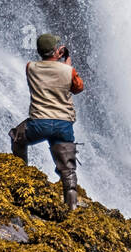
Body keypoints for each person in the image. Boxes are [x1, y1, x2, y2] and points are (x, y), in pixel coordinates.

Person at [8, 32, 84, 210]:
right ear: (57, 52)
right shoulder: (68, 70)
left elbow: (49, 73)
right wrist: (68, 64)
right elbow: (77, 88)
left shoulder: (31, 67)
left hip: (38, 123)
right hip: (63, 124)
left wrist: (61, 63)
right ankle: (71, 206)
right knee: (68, 169)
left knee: (16, 137)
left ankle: (21, 175)